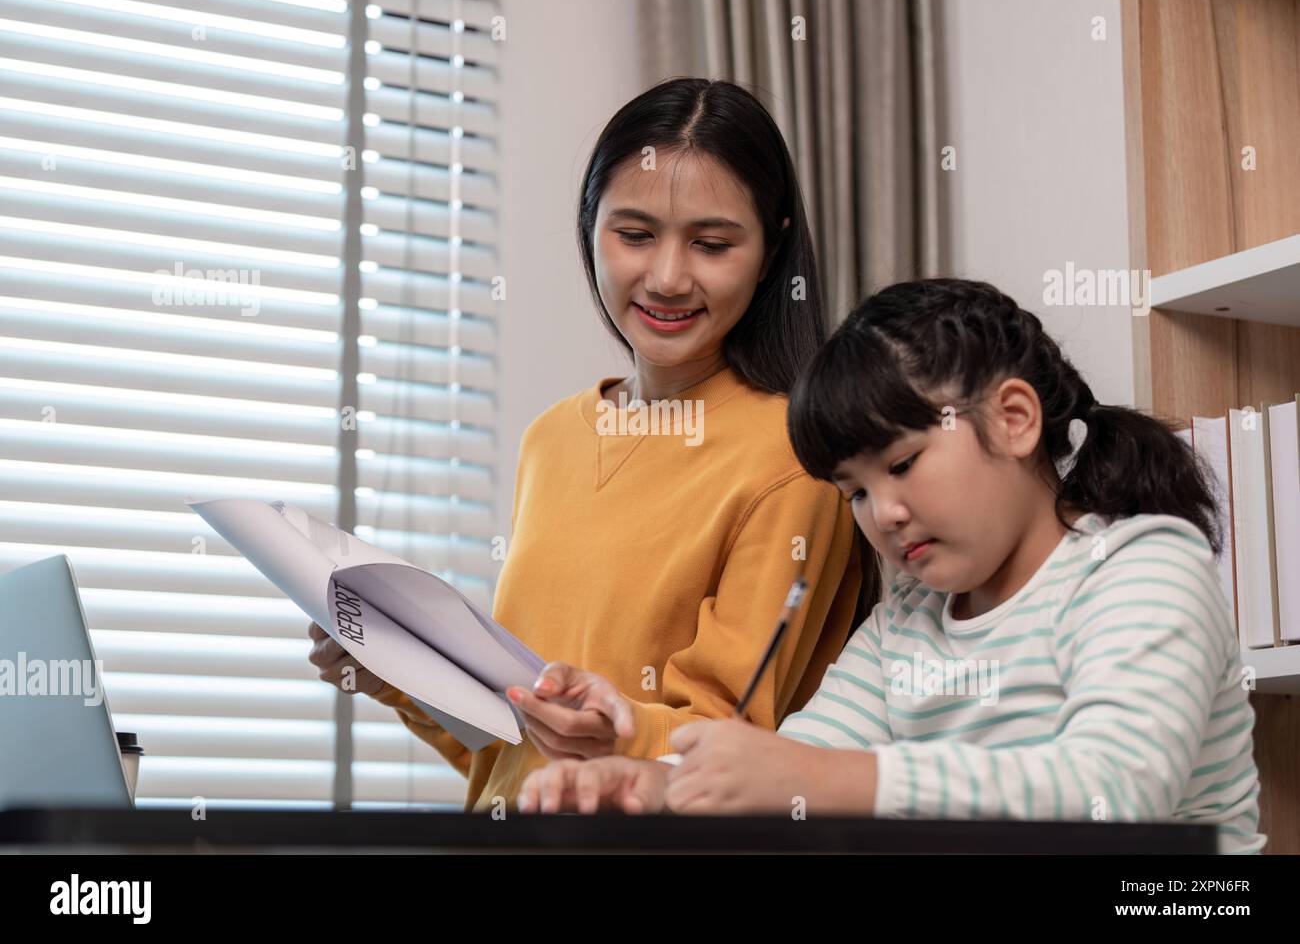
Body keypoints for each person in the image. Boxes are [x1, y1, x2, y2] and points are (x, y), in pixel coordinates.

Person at [517, 278, 1265, 855]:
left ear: (1013, 419)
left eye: (903, 463)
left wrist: (829, 782)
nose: (885, 513)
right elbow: (799, 760)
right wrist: (649, 789)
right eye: (856, 494)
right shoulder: (907, 621)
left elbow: (1112, 791)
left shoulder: (1140, 566)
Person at [309, 78, 873, 810]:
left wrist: (615, 728)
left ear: (770, 254)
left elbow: (727, 742)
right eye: (635, 235)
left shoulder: (794, 458)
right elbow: (513, 749)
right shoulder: (553, 440)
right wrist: (399, 672)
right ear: (588, 228)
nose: (667, 278)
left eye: (711, 244)